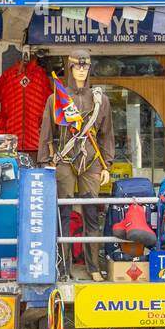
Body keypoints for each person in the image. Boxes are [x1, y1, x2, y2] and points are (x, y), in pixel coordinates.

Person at [37, 50, 114, 280]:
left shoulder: (100, 99)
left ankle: (92, 267)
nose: (81, 70)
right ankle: (63, 267)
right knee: (64, 213)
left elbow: (107, 135)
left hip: (91, 162)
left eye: (85, 66)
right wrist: (44, 162)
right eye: (77, 66)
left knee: (92, 213)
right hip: (64, 160)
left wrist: (107, 165)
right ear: (69, 68)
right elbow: (46, 133)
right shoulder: (56, 98)